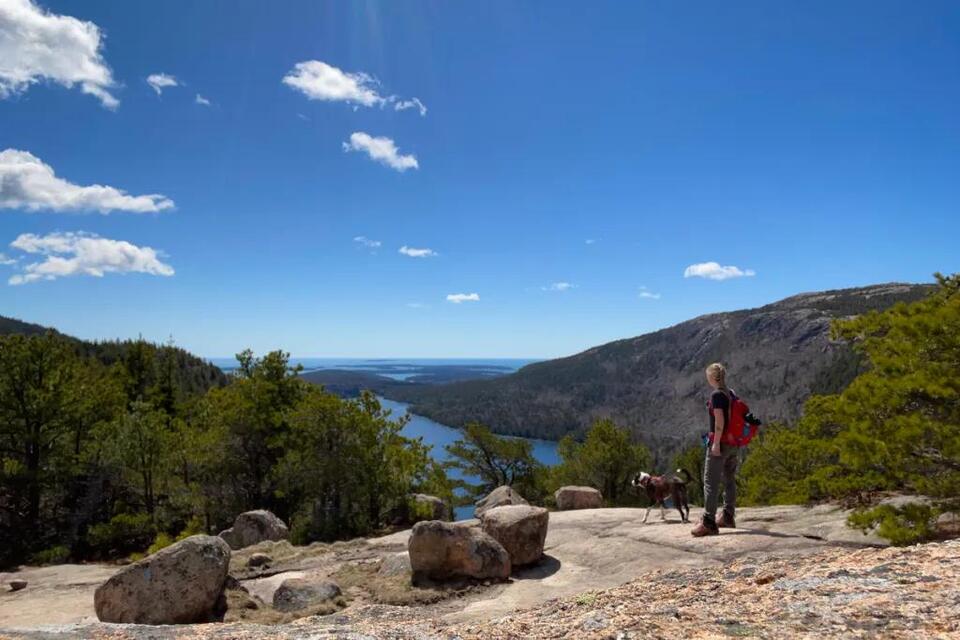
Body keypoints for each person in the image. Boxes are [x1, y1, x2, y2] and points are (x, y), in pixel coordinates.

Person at [691, 362, 739, 537]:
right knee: (729, 479)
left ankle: (709, 522)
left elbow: (719, 422)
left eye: (708, 376)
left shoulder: (717, 395)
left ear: (712, 377)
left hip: (721, 443)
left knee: (710, 482)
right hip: (733, 443)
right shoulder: (731, 393)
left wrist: (716, 443)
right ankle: (728, 515)